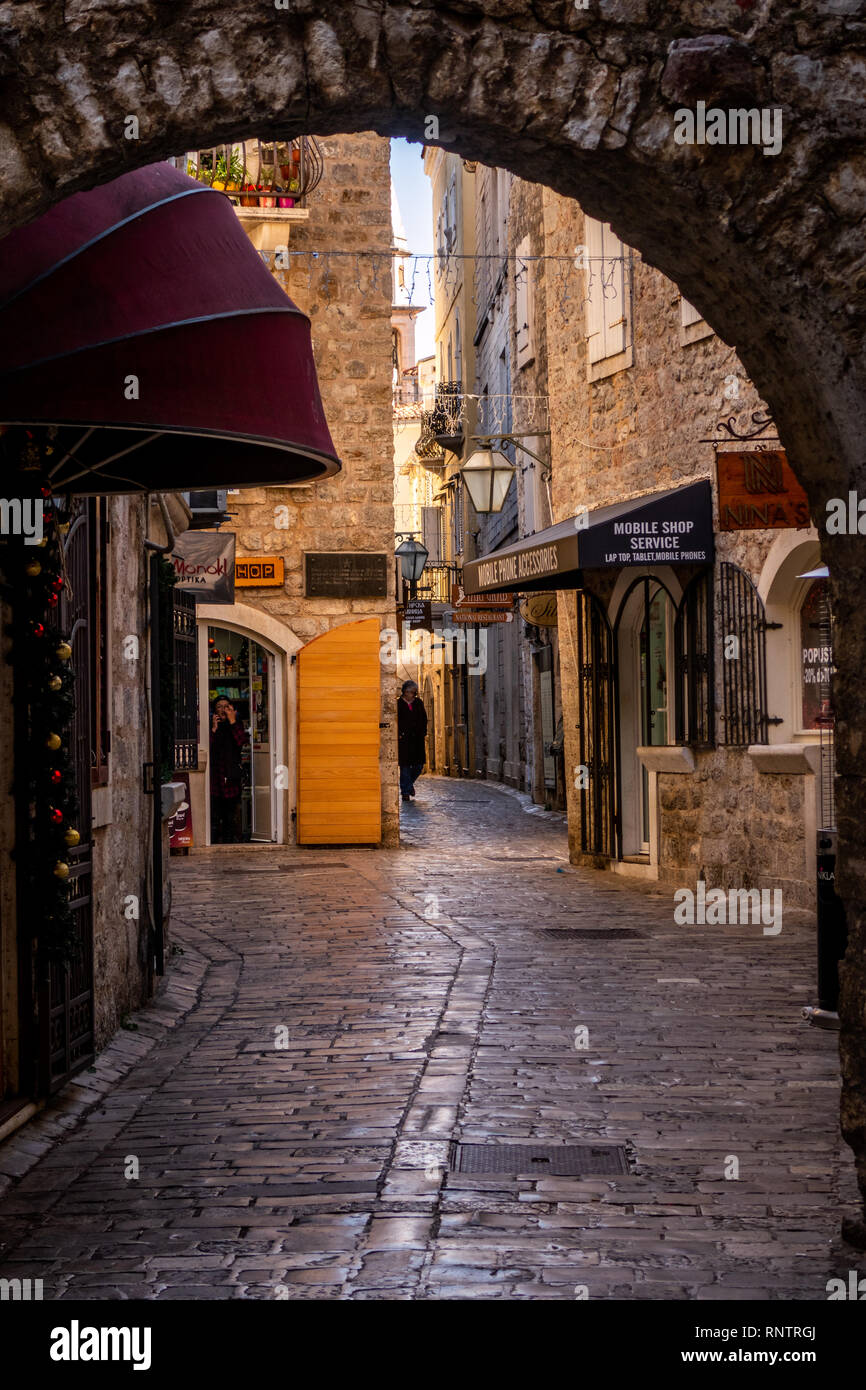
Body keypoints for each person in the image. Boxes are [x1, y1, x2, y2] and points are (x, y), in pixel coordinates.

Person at [209, 697, 249, 843]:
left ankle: (228, 841)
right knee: (214, 815)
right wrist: (213, 729)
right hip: (215, 778)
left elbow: (241, 742)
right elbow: (209, 749)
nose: (223, 709)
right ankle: (214, 841)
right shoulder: (212, 727)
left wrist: (232, 721)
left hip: (231, 777)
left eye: (227, 706)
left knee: (229, 816)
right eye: (220, 706)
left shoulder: (235, 725)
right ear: (215, 711)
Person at [397, 680, 427, 802]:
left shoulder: (418, 703)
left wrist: (423, 732)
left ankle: (408, 786)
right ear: (405, 691)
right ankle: (405, 792)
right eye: (412, 692)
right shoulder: (398, 704)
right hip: (404, 740)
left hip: (418, 740)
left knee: (418, 766)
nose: (414, 695)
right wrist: (399, 734)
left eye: (415, 693)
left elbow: (424, 719)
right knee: (405, 767)